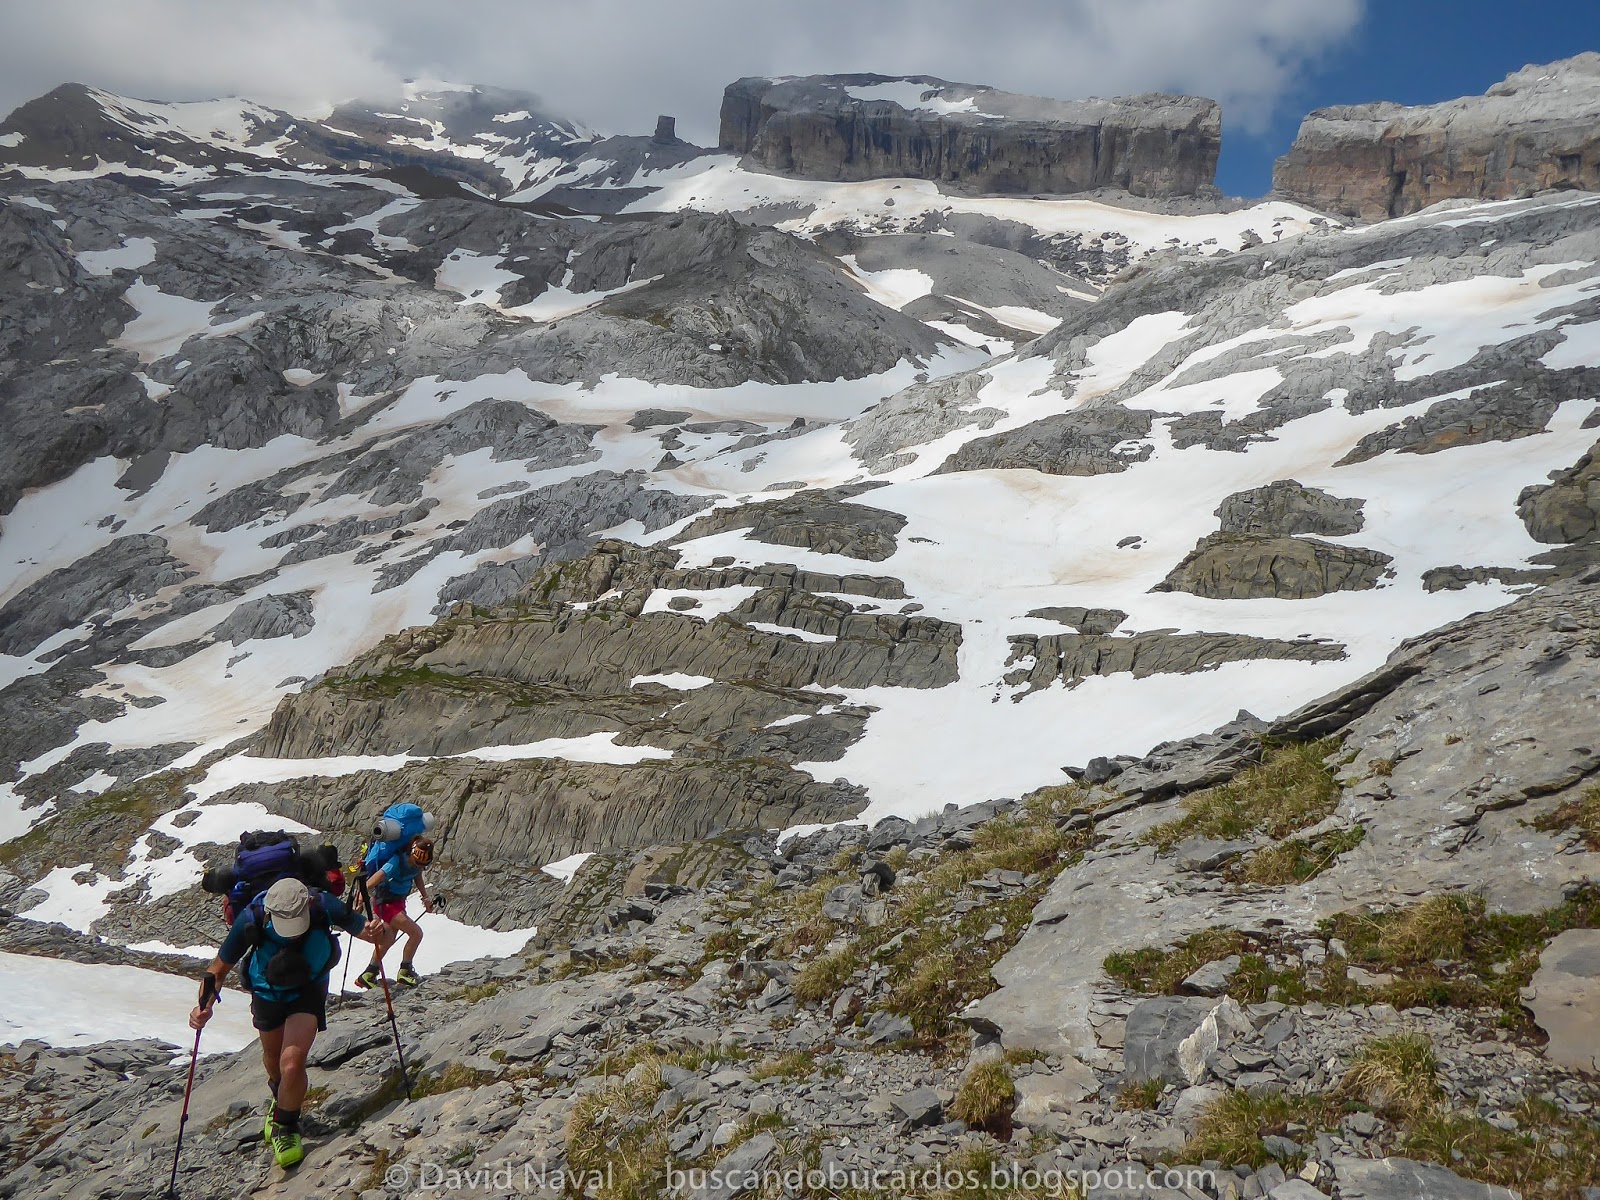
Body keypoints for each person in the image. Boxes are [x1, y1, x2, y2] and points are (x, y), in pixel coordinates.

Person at [190, 877, 384, 1168]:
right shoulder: (251, 917)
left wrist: (375, 930)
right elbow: (217, 970)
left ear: (307, 905)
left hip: (309, 987)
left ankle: (286, 1125)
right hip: (266, 991)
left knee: (292, 1062)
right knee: (272, 1057)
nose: (292, 934)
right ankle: (280, 1098)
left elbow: (365, 930)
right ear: (270, 913)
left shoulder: (323, 905)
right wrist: (202, 1007)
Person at [357, 834, 434, 988]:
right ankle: (405, 972)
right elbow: (376, 878)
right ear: (412, 853)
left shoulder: (415, 863)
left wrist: (425, 897)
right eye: (418, 863)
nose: (420, 866)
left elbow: (417, 876)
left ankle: (368, 974)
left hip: (398, 902)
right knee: (416, 933)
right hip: (386, 903)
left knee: (389, 938)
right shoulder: (396, 862)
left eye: (423, 865)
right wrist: (360, 897)